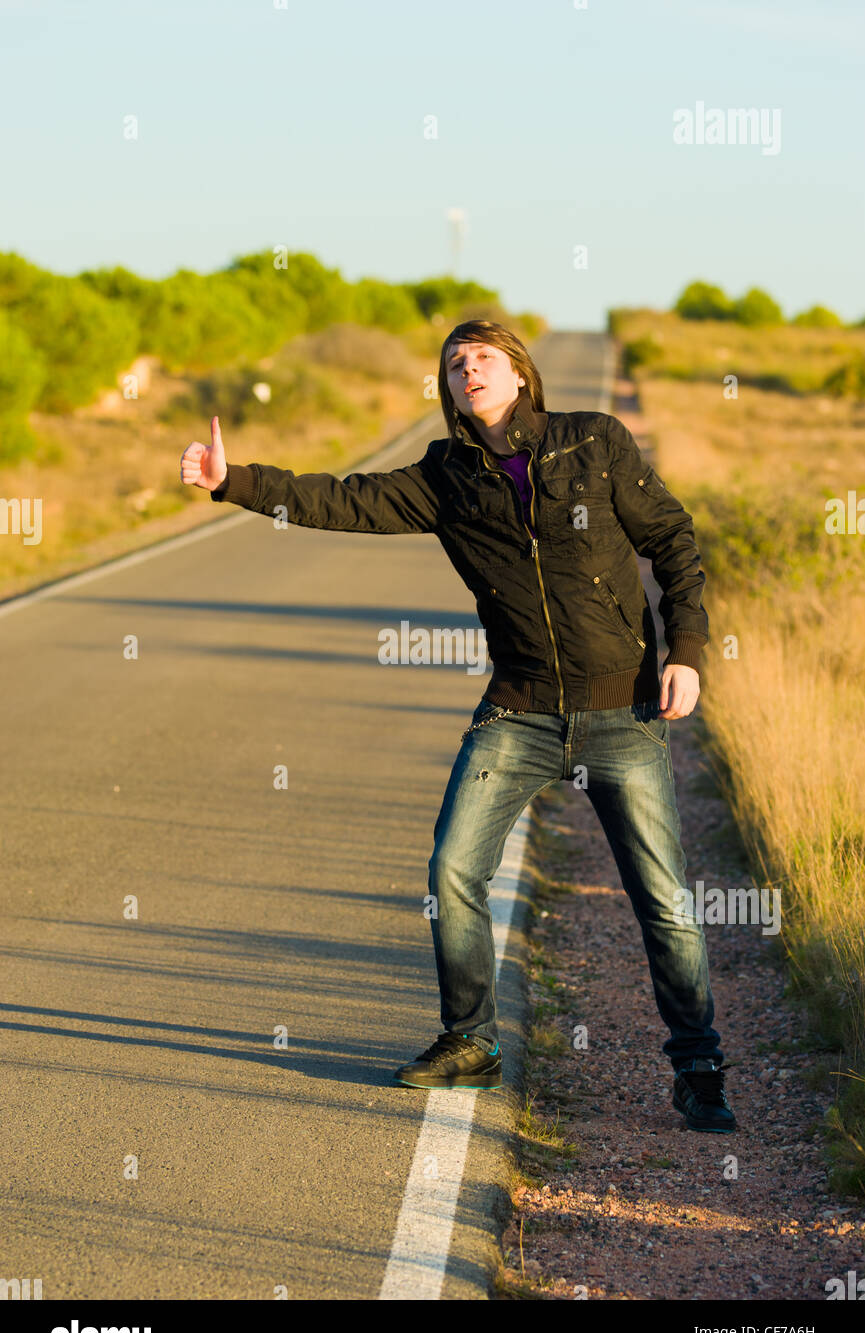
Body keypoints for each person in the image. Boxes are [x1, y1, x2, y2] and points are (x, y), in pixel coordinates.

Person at [180, 319, 735, 1134]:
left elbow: (672, 541)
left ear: (518, 373)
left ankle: (699, 1068)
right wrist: (237, 482)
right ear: (446, 391)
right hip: (516, 711)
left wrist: (686, 647)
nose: (466, 369)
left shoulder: (595, 442)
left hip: (622, 712)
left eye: (481, 357)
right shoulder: (447, 477)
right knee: (450, 873)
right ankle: (470, 1042)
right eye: (452, 363)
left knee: (662, 902)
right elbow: (345, 499)